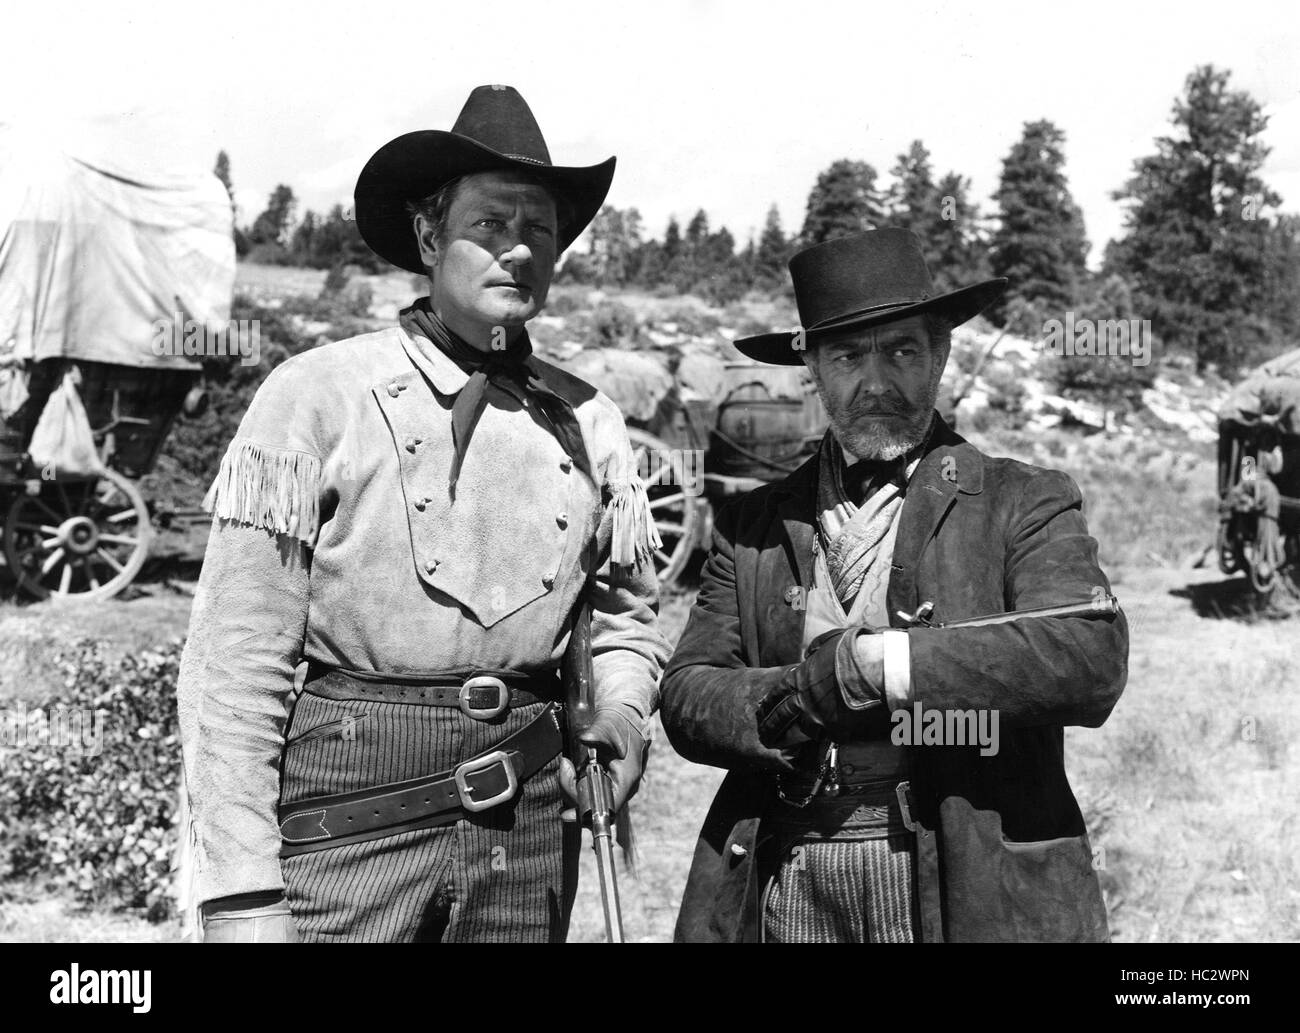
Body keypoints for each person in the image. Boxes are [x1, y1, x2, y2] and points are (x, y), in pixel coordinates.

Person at [176, 84, 669, 943]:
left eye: (541, 229)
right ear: (429, 236)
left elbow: (625, 619)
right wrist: (241, 893)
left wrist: (622, 716)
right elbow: (235, 662)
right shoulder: (318, 395)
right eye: (489, 223)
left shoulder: (591, 420)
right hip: (348, 827)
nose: (519, 249)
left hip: (524, 837)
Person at [659, 228, 1129, 943]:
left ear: (940, 354)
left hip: (959, 881)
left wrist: (888, 667)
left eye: (903, 351)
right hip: (791, 875)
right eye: (847, 355)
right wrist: (801, 690)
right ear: (811, 368)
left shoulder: (1019, 500)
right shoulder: (754, 523)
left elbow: (1088, 654)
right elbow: (689, 692)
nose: (876, 382)